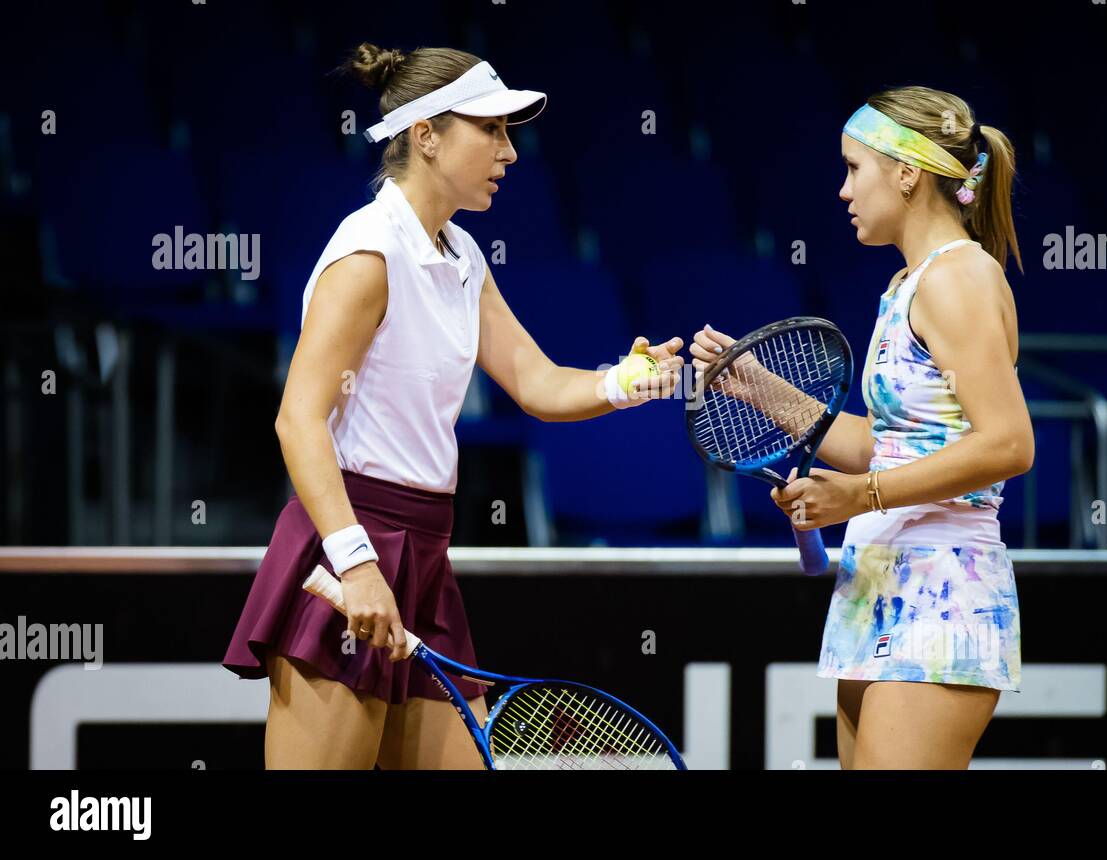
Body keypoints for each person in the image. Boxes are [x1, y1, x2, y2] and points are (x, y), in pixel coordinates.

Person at [223, 44, 684, 769]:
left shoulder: (463, 254)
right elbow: (297, 419)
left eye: (508, 132)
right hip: (351, 542)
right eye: (490, 130)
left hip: (426, 553)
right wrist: (357, 563)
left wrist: (624, 382)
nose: (509, 151)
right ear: (426, 136)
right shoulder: (368, 255)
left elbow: (536, 382)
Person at [691, 86, 1032, 769]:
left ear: (906, 173)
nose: (843, 190)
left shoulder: (958, 279)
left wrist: (861, 496)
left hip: (941, 587)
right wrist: (755, 385)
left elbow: (1009, 443)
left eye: (854, 168)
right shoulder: (908, 284)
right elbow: (886, 447)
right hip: (877, 580)